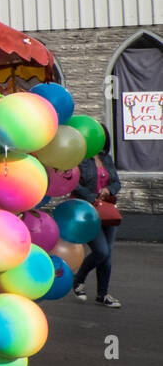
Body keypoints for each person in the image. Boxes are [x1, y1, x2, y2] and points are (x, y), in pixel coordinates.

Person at [71, 123, 122, 308]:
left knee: (107, 257)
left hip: (107, 211)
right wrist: (91, 196)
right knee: (101, 251)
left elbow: (117, 181)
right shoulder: (79, 159)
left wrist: (109, 189)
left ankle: (103, 295)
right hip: (87, 212)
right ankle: (79, 280)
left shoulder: (105, 157)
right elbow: (73, 183)